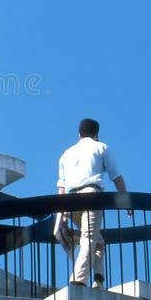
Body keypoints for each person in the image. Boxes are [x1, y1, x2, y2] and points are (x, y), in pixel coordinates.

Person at [56, 118, 129, 289]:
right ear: (96, 134)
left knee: (97, 240)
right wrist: (126, 201)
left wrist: (62, 212)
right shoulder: (101, 147)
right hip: (91, 196)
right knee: (89, 238)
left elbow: (61, 186)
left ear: (79, 134)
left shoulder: (66, 154)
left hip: (70, 200)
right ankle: (78, 280)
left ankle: (99, 279)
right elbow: (116, 176)